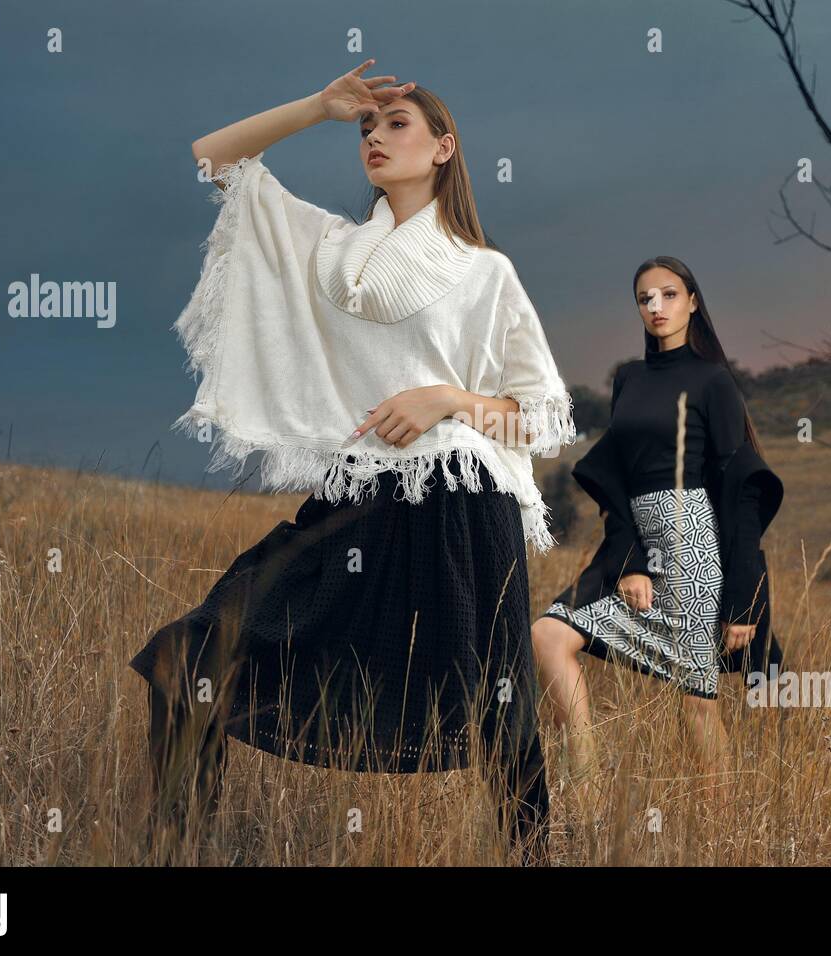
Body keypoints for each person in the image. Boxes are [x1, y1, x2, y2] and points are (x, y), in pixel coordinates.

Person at [129, 59, 577, 866]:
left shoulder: (485, 273)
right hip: (356, 501)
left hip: (461, 505)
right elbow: (214, 156)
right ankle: (176, 850)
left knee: (500, 715)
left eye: (397, 123)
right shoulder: (330, 248)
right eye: (368, 127)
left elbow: (542, 416)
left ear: (445, 147)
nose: (375, 135)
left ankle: (535, 857)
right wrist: (316, 106)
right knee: (191, 658)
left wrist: (448, 398)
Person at [531, 256, 784, 809]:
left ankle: (722, 831)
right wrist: (634, 561)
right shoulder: (628, 377)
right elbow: (617, 481)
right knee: (549, 635)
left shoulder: (713, 380)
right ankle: (590, 788)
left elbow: (739, 489)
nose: (656, 308)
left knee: (698, 701)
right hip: (637, 539)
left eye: (669, 295)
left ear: (692, 301)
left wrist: (745, 600)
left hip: (694, 543)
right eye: (645, 299)